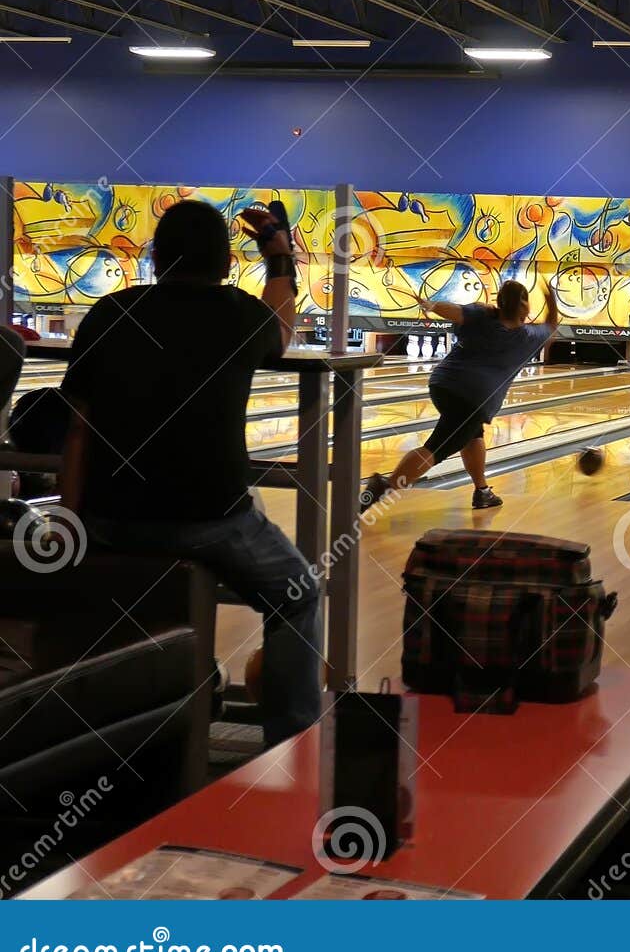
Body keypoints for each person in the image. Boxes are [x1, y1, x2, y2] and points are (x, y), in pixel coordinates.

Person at [58, 199, 323, 745]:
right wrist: (279, 257)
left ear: (156, 257)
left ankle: (100, 733)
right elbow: (281, 325)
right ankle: (293, 741)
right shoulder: (238, 314)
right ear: (227, 262)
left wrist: (72, 526)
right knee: (299, 591)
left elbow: (77, 433)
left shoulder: (110, 312)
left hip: (111, 520)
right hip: (210, 521)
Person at [361, 279, 559, 510]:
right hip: (472, 400)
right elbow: (552, 326)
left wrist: (431, 304)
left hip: (442, 385)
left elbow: (453, 312)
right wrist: (551, 301)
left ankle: (482, 491)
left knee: (473, 434)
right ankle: (385, 486)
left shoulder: (482, 316)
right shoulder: (528, 336)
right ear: (524, 307)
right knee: (437, 448)